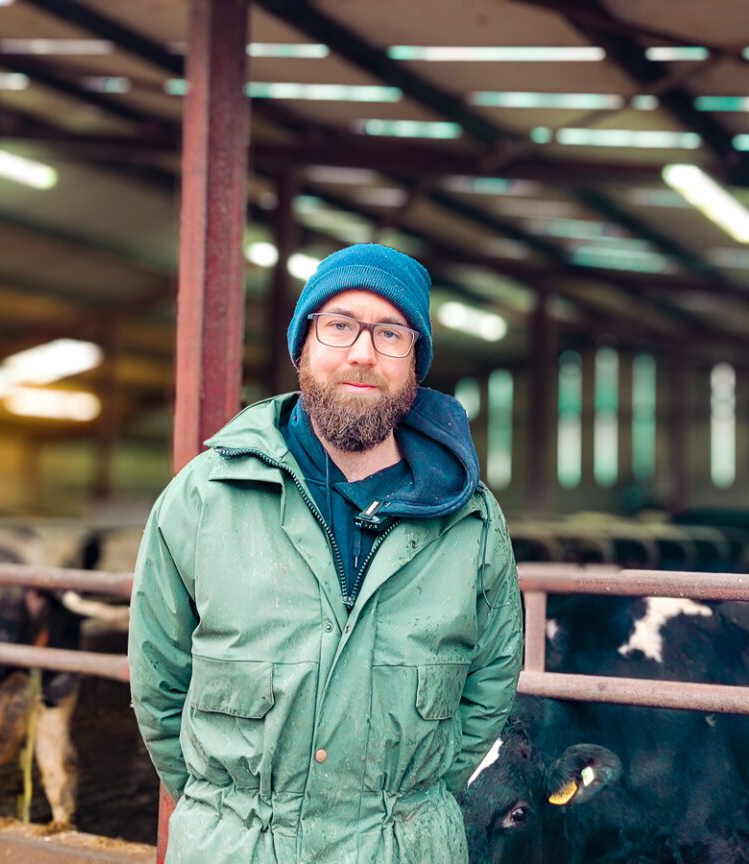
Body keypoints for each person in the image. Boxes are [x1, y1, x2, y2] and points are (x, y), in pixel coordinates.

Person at [129, 243, 524, 863]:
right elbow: (159, 684)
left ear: (415, 361)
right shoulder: (204, 498)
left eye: (391, 333)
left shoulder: (470, 523)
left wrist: (404, 813)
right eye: (339, 325)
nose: (363, 352)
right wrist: (233, 817)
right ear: (303, 345)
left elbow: (489, 688)